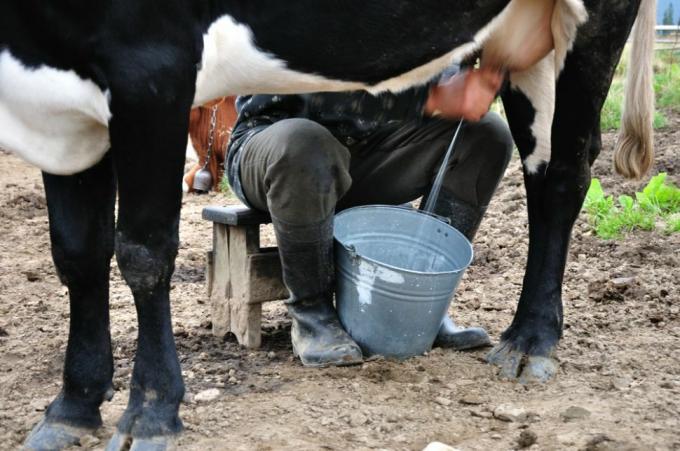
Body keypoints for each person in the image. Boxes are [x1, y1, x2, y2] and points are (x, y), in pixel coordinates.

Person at [225, 65, 514, 367]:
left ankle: (423, 310)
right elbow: (320, 88)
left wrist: (470, 79)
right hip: (276, 143)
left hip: (370, 144)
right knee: (307, 143)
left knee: (487, 135)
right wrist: (431, 97)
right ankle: (312, 315)